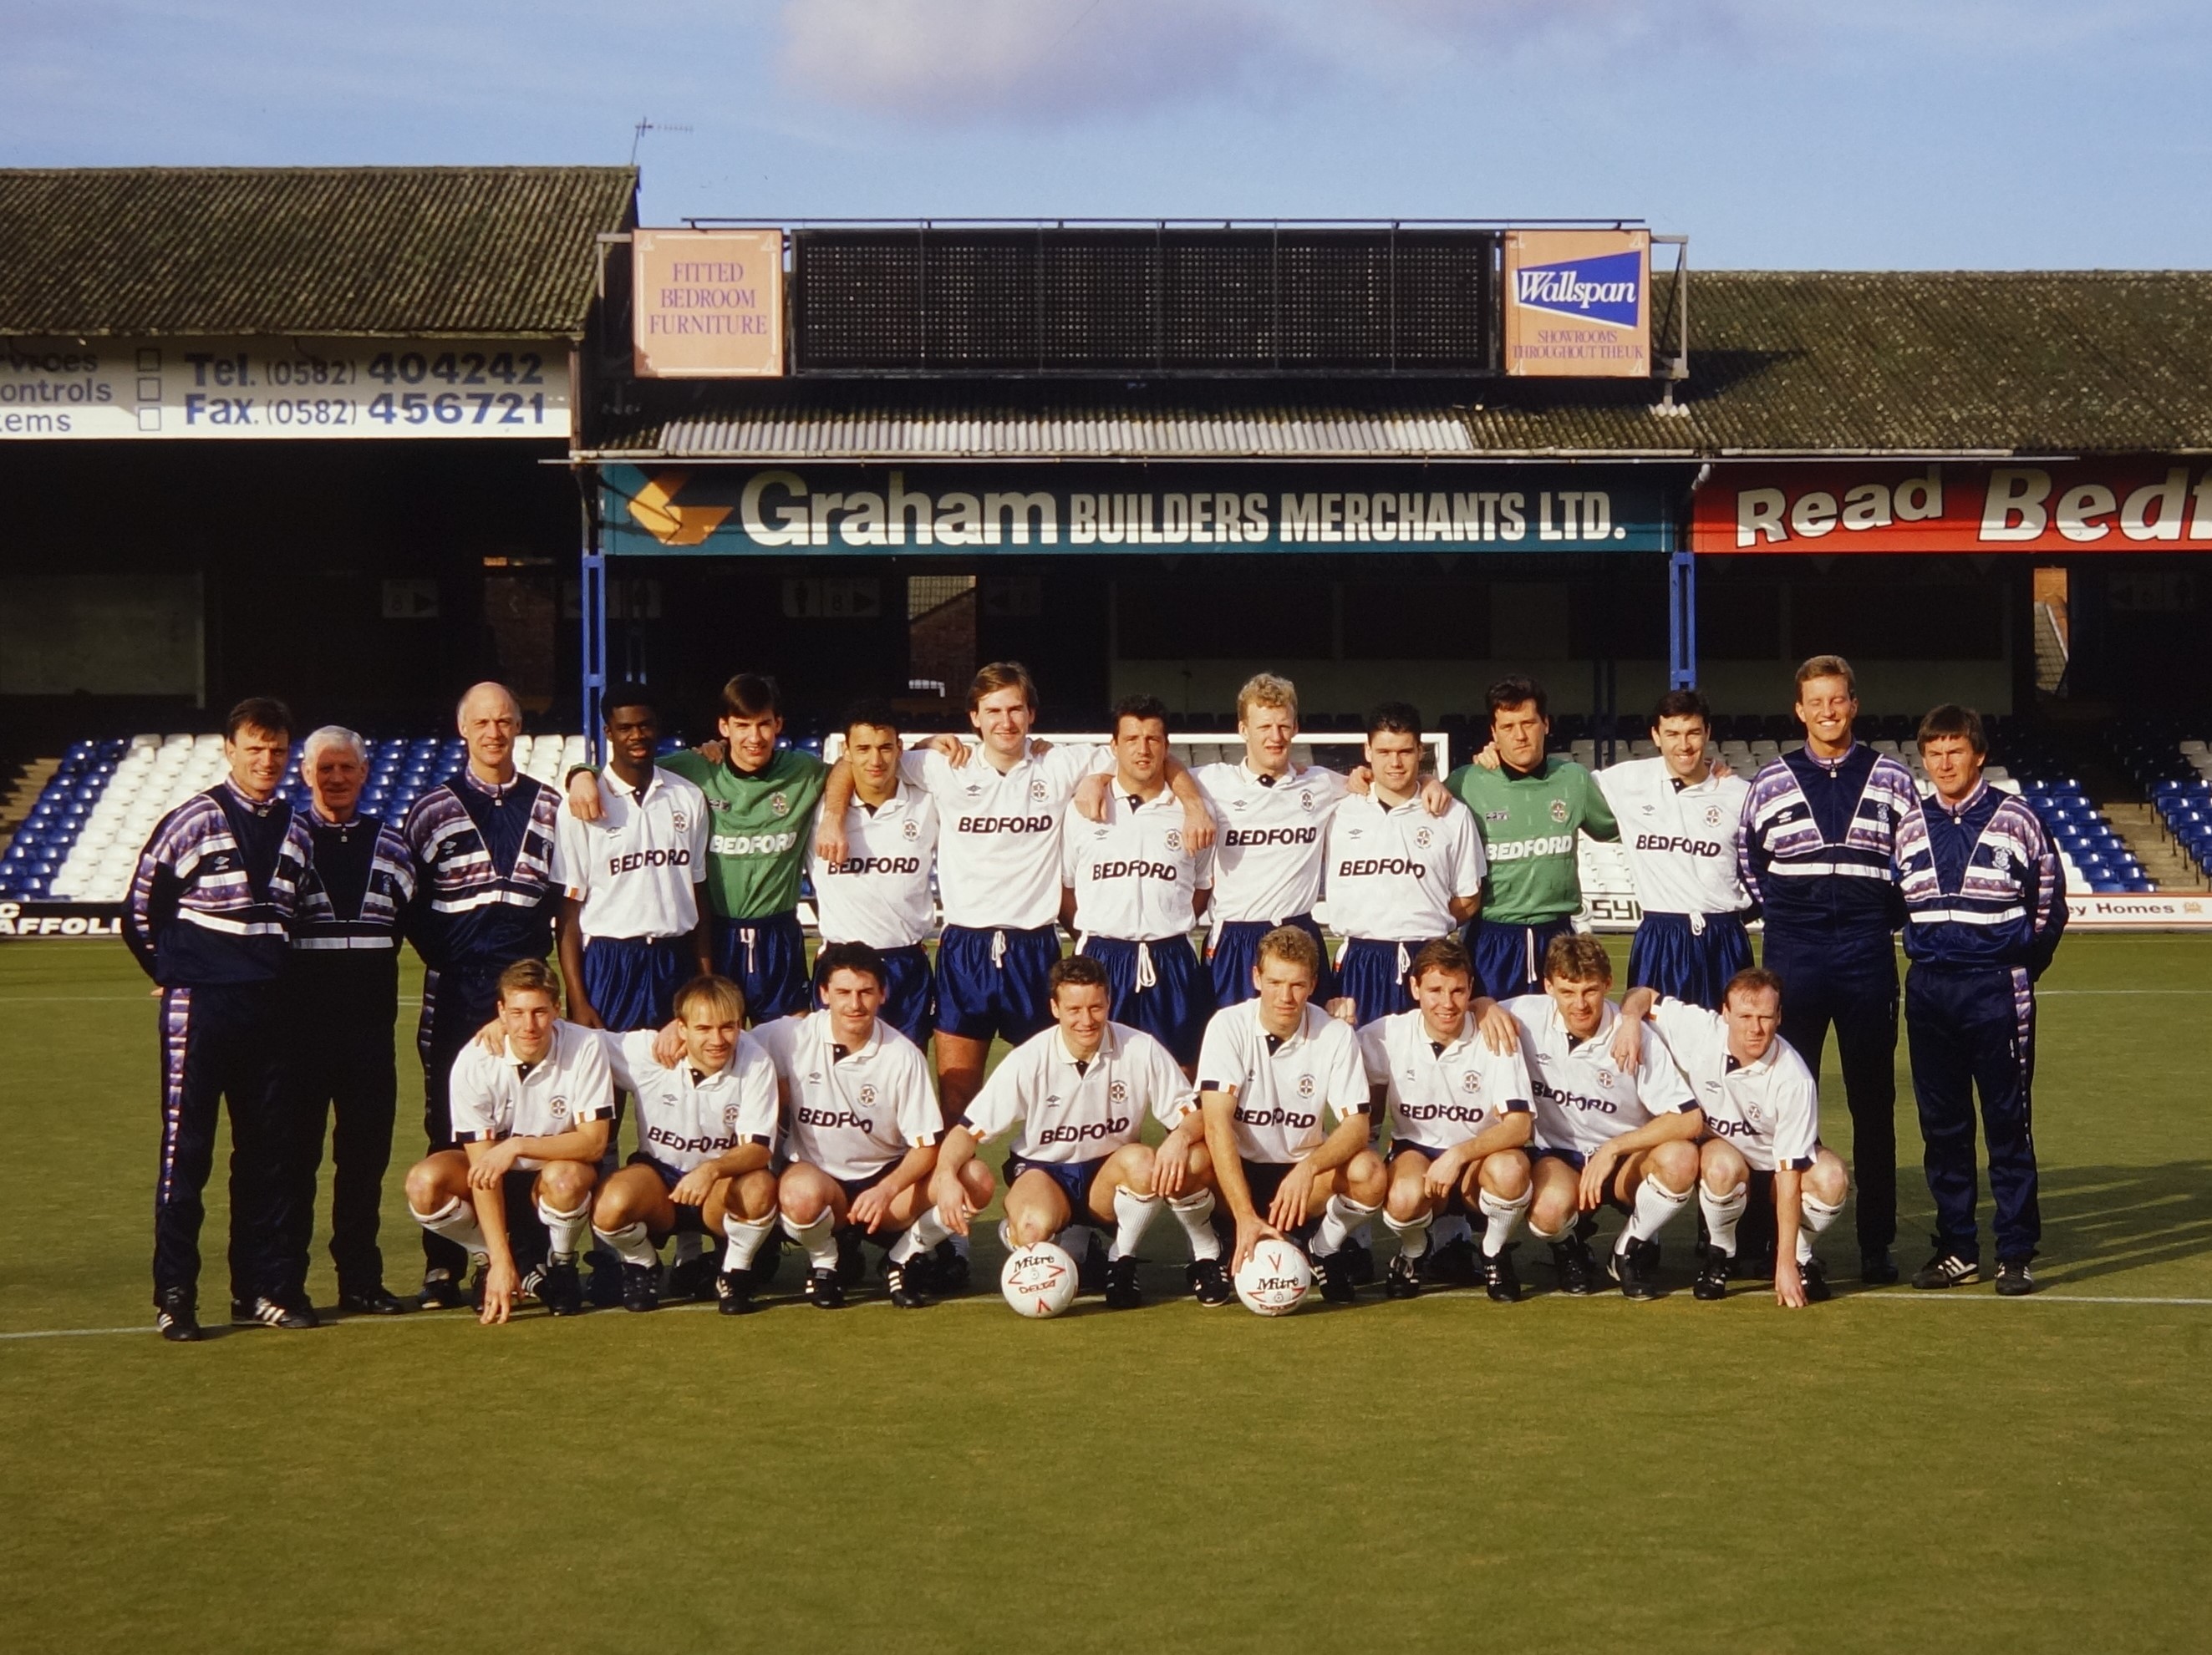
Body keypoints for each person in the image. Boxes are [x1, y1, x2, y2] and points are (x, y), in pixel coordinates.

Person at [816, 662, 1211, 1142]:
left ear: (1031, 714)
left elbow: (1149, 755)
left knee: (1058, 1089)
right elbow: (852, 763)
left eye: (1016, 710)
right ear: (975, 718)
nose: (1006, 722)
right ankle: (943, 1209)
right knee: (957, 1095)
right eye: (994, 711)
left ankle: (1054, 1193)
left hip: (1034, 951)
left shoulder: (1062, 764)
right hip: (965, 950)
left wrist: (1186, 804)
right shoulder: (942, 766)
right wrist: (835, 817)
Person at [125, 697, 318, 1340]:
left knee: (267, 1155)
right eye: (254, 747)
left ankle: (259, 1287)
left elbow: (299, 918)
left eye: (277, 749)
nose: (266, 760)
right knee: (187, 1153)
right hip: (202, 1009)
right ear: (229, 749)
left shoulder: (297, 826)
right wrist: (173, 972)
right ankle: (175, 1294)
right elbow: (139, 908)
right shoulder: (193, 819)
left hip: (272, 1010)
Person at [1738, 654, 1919, 1284]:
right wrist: (1790, 917)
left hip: (1866, 952)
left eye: (1836, 699)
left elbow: (1916, 861)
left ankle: (1876, 1242)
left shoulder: (1893, 778)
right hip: (1796, 953)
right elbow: (1747, 861)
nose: (1826, 711)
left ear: (1853, 703)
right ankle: (1769, 1240)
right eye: (1815, 701)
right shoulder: (1770, 781)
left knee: (1874, 1101)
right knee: (1784, 1098)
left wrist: (1878, 916)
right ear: (1799, 710)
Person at [1894, 704, 2067, 1297]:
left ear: (1978, 754)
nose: (1944, 762)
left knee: (2006, 1124)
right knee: (1941, 1127)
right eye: (1934, 752)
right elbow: (1896, 901)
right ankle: (1956, 1247)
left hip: (1995, 988)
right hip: (1928, 988)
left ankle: (2014, 1250)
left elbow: (2048, 902)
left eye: (1954, 750)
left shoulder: (2017, 818)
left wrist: (2016, 961)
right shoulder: (1909, 822)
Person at [403, 681, 565, 1307]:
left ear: (517, 728)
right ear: (462, 729)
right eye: (482, 722)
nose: (494, 732)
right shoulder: (431, 809)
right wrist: (451, 961)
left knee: (528, 1123)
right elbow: (411, 903)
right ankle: (447, 1261)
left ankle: (532, 1256)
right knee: (449, 1124)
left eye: (504, 721)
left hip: (524, 991)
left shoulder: (550, 805)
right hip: (457, 989)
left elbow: (561, 901)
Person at [931, 955, 1210, 1310]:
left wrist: (1179, 1137)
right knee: (1032, 1228)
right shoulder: (1029, 1059)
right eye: (1074, 1009)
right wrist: (945, 1175)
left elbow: (1195, 1115)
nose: (1086, 1019)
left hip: (1107, 1177)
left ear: (1109, 1002)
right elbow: (966, 1132)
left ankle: (1120, 1261)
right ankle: (1030, 1234)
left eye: (1095, 1007)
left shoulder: (1140, 1047)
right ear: (1055, 1007)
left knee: (1144, 1161)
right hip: (1044, 1172)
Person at [572, 673, 826, 1023]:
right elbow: (628, 767)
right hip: (716, 936)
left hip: (777, 935)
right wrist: (581, 773)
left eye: (764, 725)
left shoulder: (805, 771)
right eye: (742, 725)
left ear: (778, 724)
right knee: (713, 1051)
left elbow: (856, 769)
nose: (754, 737)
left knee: (792, 1055)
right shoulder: (695, 769)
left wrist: (923, 750)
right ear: (724, 727)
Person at [280, 724, 418, 1318]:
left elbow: (416, 927)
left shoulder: (391, 844)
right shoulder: (286, 840)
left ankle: (360, 1278)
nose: (336, 778)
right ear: (306, 773)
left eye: (347, 768)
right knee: (295, 1163)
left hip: (369, 1035)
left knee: (364, 1163)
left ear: (365, 773)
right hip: (300, 1037)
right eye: (324, 768)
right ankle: (284, 1283)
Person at [1481, 935, 1702, 1300]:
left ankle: (1630, 1247)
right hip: (1561, 1156)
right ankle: (1569, 1249)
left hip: (1624, 1161)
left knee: (1680, 1159)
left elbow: (1688, 1119)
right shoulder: (1524, 1014)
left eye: (1590, 991)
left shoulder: (1635, 1035)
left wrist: (1614, 1148)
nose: (1579, 1004)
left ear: (1607, 985)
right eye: (1567, 992)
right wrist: (1484, 1006)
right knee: (1548, 1213)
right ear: (1549, 986)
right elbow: (1476, 1006)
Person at [1615, 968, 1852, 1307]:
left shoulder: (1794, 1078)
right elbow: (1641, 995)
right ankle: (1721, 1254)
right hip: (1724, 1159)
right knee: (1720, 1164)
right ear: (1725, 1014)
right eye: (1745, 1016)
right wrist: (1629, 1022)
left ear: (1779, 1016)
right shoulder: (1700, 1030)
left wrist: (1783, 1263)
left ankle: (1800, 1258)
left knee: (1831, 1178)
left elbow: (1788, 1176)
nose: (1755, 1029)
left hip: (1775, 1168)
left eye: (1765, 1017)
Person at [403, 960, 614, 1322]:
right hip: (496, 1182)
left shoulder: (585, 1047)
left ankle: (560, 1265)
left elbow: (594, 1144)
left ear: (557, 1010)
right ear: (501, 1011)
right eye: (516, 1013)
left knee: (566, 1179)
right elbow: (484, 1171)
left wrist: (517, 1145)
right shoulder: (474, 1061)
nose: (528, 1025)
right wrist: (502, 1262)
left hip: (550, 1179)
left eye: (539, 1012)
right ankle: (492, 1259)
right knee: (424, 1184)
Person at [750, 941, 951, 1310]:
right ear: (824, 993)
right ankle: (827, 1262)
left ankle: (901, 1259)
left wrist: (886, 1190)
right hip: (820, 1181)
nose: (854, 1004)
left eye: (865, 992)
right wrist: (677, 1035)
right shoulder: (789, 1036)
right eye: (843, 992)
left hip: (885, 1188)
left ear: (882, 994)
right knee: (799, 1196)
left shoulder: (903, 1055)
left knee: (971, 1182)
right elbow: (727, 1042)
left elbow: (927, 1147)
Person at [1196, 925, 1386, 1303]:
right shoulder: (1228, 1026)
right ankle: (1209, 1252)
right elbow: (1216, 1125)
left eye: (1297, 984)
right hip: (1239, 1169)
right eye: (1275, 982)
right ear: (1256, 978)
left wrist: (1308, 1168)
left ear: (1313, 984)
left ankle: (1323, 1248)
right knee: (1186, 1162)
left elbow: (1357, 1126)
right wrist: (1245, 1213)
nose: (1286, 996)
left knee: (1370, 1172)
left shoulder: (1334, 1034)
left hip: (1300, 1181)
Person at [587, 974, 781, 1314]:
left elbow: (759, 1149)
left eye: (728, 1027)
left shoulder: (756, 1062)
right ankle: (643, 1264)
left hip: (719, 1186)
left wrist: (711, 1170)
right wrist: (502, 1027)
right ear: (680, 1028)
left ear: (740, 1024)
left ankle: (734, 1273)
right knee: (609, 1205)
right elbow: (580, 1042)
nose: (718, 1040)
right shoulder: (649, 1051)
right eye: (703, 1029)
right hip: (659, 1181)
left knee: (759, 1188)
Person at [1360, 937, 1535, 1302]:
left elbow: (1519, 1125)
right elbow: (1332, 1054)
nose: (1447, 1003)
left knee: (1511, 1172)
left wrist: (1458, 1156)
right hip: (1418, 1155)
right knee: (1404, 1197)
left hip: (1478, 1162)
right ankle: (1413, 1251)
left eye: (1457, 991)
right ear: (1414, 987)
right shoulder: (1388, 1034)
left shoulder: (1495, 1035)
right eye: (1435, 989)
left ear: (1471, 989)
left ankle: (1493, 1251)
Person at [1060, 694, 1218, 1069]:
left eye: (1152, 739)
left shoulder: (1193, 810)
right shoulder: (1083, 809)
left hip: (1171, 960)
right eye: (1132, 739)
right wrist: (1094, 936)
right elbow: (1066, 887)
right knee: (1098, 1077)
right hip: (1103, 958)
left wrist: (1164, 926)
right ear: (1114, 745)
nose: (1142, 749)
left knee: (1183, 1080)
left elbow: (1203, 886)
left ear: (1167, 746)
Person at [1445, 675, 1619, 1001]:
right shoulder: (1465, 783)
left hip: (1557, 935)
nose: (1520, 735)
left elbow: (1628, 828)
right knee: (1492, 1041)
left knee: (1564, 1039)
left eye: (1528, 723)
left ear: (1546, 724)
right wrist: (1423, 781)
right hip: (1490, 937)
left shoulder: (1574, 781)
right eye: (1508, 727)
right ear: (1493, 734)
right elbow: (1416, 810)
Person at [552, 681, 711, 1034]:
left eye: (645, 725)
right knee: (606, 1084)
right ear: (609, 732)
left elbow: (698, 894)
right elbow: (568, 913)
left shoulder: (688, 797)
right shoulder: (581, 805)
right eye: (625, 728)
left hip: (675, 959)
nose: (636, 736)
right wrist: (577, 1000)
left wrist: (706, 978)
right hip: (611, 962)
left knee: (677, 1080)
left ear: (657, 726)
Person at [1324, 702, 1485, 1028]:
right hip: (1360, 962)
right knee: (1359, 1066)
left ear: (1420, 751)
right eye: (1384, 751)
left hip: (1429, 962)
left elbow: (1469, 899)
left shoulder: (1452, 814)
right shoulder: (1338, 810)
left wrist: (1421, 920)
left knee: (1431, 1067)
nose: (1395, 762)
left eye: (1405, 752)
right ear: (1367, 751)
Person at [1594, 689, 1753, 1010]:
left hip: (1724, 938)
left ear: (1707, 732)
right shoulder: (1625, 781)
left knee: (1728, 1043)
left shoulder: (1740, 794)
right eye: (1672, 734)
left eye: (1693, 733)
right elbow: (1563, 782)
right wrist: (1493, 757)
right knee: (1655, 1044)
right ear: (1656, 735)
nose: (1684, 745)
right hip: (1660, 937)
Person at [807, 699, 938, 1047]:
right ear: (846, 752)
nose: (875, 760)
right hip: (842, 966)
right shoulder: (817, 809)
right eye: (863, 749)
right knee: (837, 1076)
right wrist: (833, 816)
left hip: (905, 962)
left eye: (884, 748)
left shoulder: (928, 803)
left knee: (905, 1073)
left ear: (900, 749)